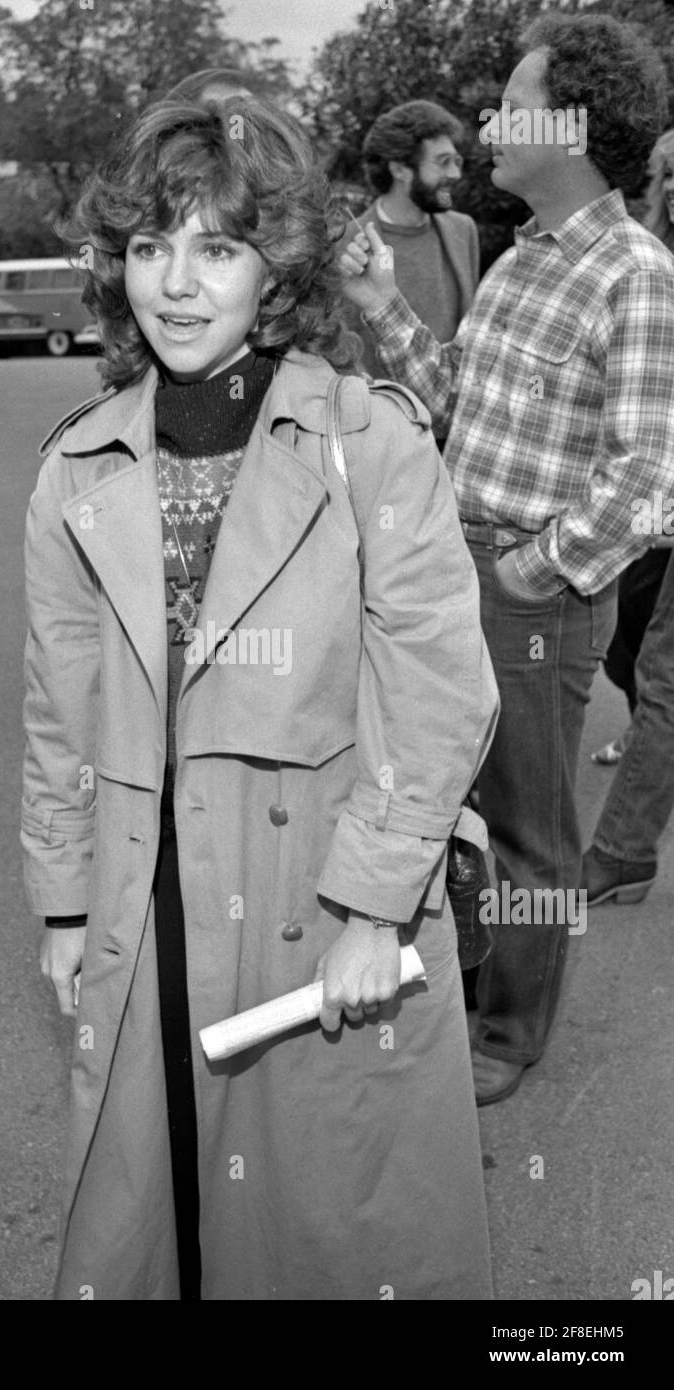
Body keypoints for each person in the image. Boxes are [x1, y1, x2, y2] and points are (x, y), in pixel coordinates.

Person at [22, 96, 498, 1300]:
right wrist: (66, 903)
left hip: (314, 904)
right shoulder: (74, 465)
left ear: (274, 267)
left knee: (326, 1234)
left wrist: (376, 905)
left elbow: (439, 689)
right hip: (151, 898)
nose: (175, 284)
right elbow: (57, 710)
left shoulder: (371, 443)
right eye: (148, 246)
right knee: (159, 1208)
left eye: (217, 247)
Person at [339, 12, 674, 1105]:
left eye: (512, 100)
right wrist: (374, 300)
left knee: (530, 831)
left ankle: (510, 1033)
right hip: (453, 562)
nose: (488, 121)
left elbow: (646, 471)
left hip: (529, 591)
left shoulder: (634, 273)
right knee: (451, 797)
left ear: (571, 127)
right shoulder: (526, 255)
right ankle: (461, 991)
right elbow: (449, 404)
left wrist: (536, 568)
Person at [590, 128, 674, 765]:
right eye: (666, 175)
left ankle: (652, 739)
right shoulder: (646, 258)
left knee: (659, 649)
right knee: (629, 632)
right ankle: (645, 726)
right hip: (650, 475)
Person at [338, 100, 479, 407]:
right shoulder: (348, 243)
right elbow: (340, 350)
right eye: (443, 162)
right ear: (400, 169)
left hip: (450, 424)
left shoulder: (462, 230)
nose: (455, 173)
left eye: (457, 161)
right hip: (386, 428)